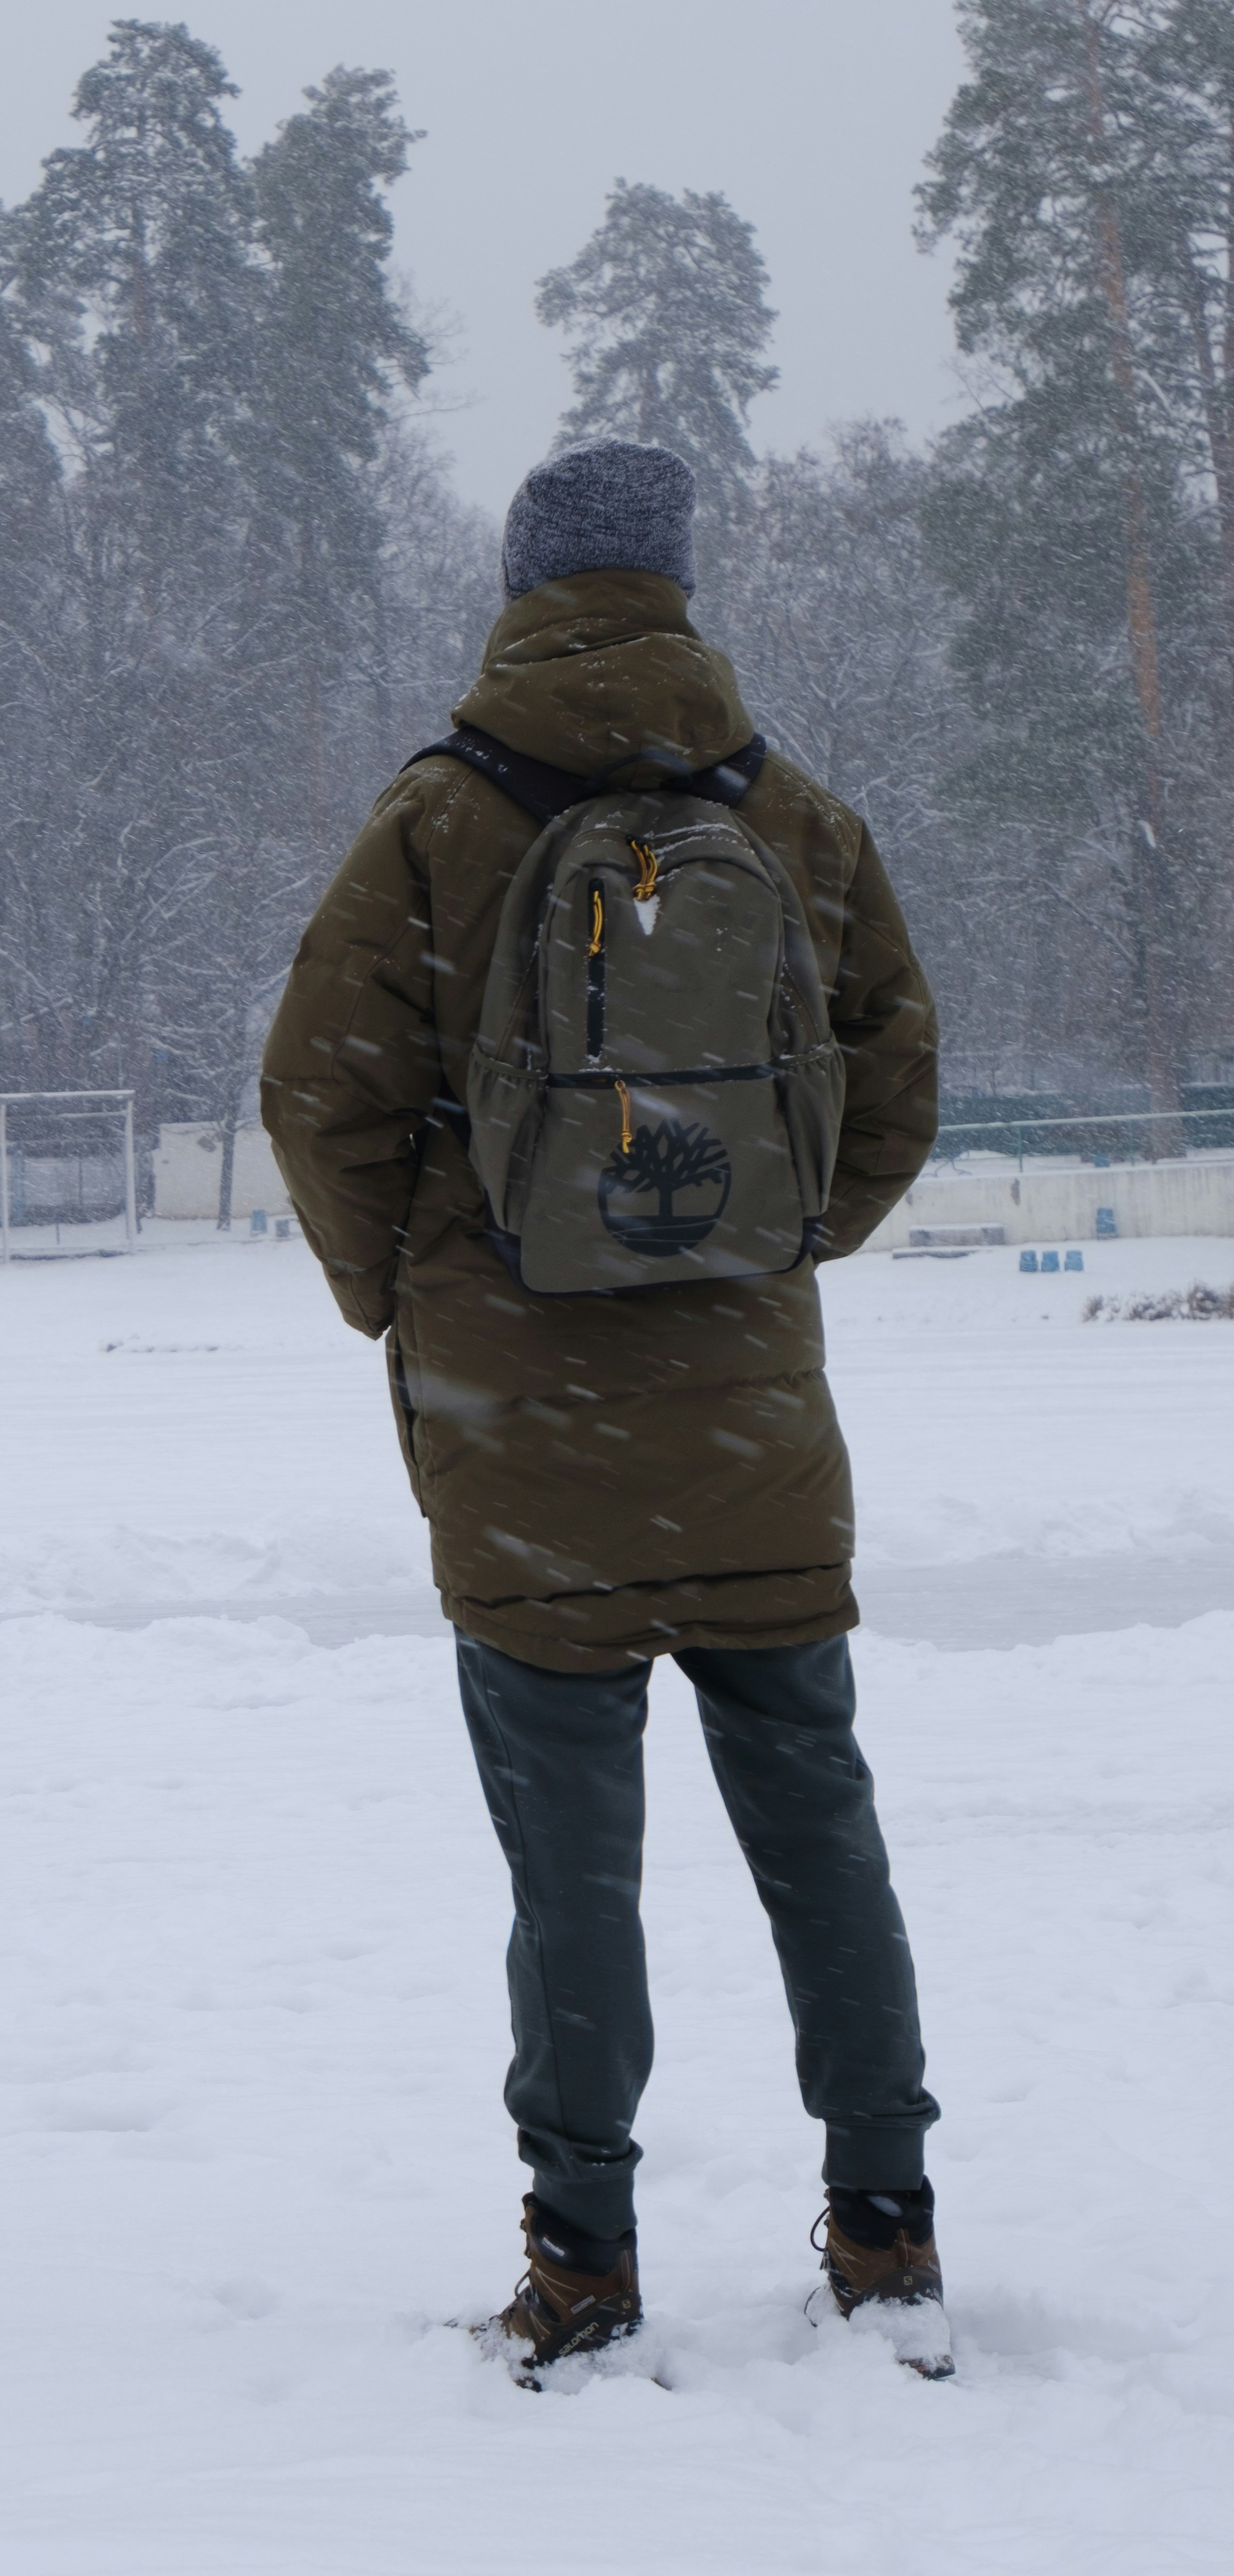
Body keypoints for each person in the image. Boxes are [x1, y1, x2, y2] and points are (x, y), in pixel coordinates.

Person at [260, 440, 950, 2382]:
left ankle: (581, 2261)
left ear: (520, 584)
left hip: (523, 1435)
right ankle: (886, 2229)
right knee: (822, 1826)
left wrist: (411, 1300)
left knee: (573, 1870)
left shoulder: (440, 821)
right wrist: (779, 1248)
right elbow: (897, 1064)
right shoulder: (791, 814)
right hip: (754, 1424)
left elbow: (321, 1095)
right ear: (678, 586)